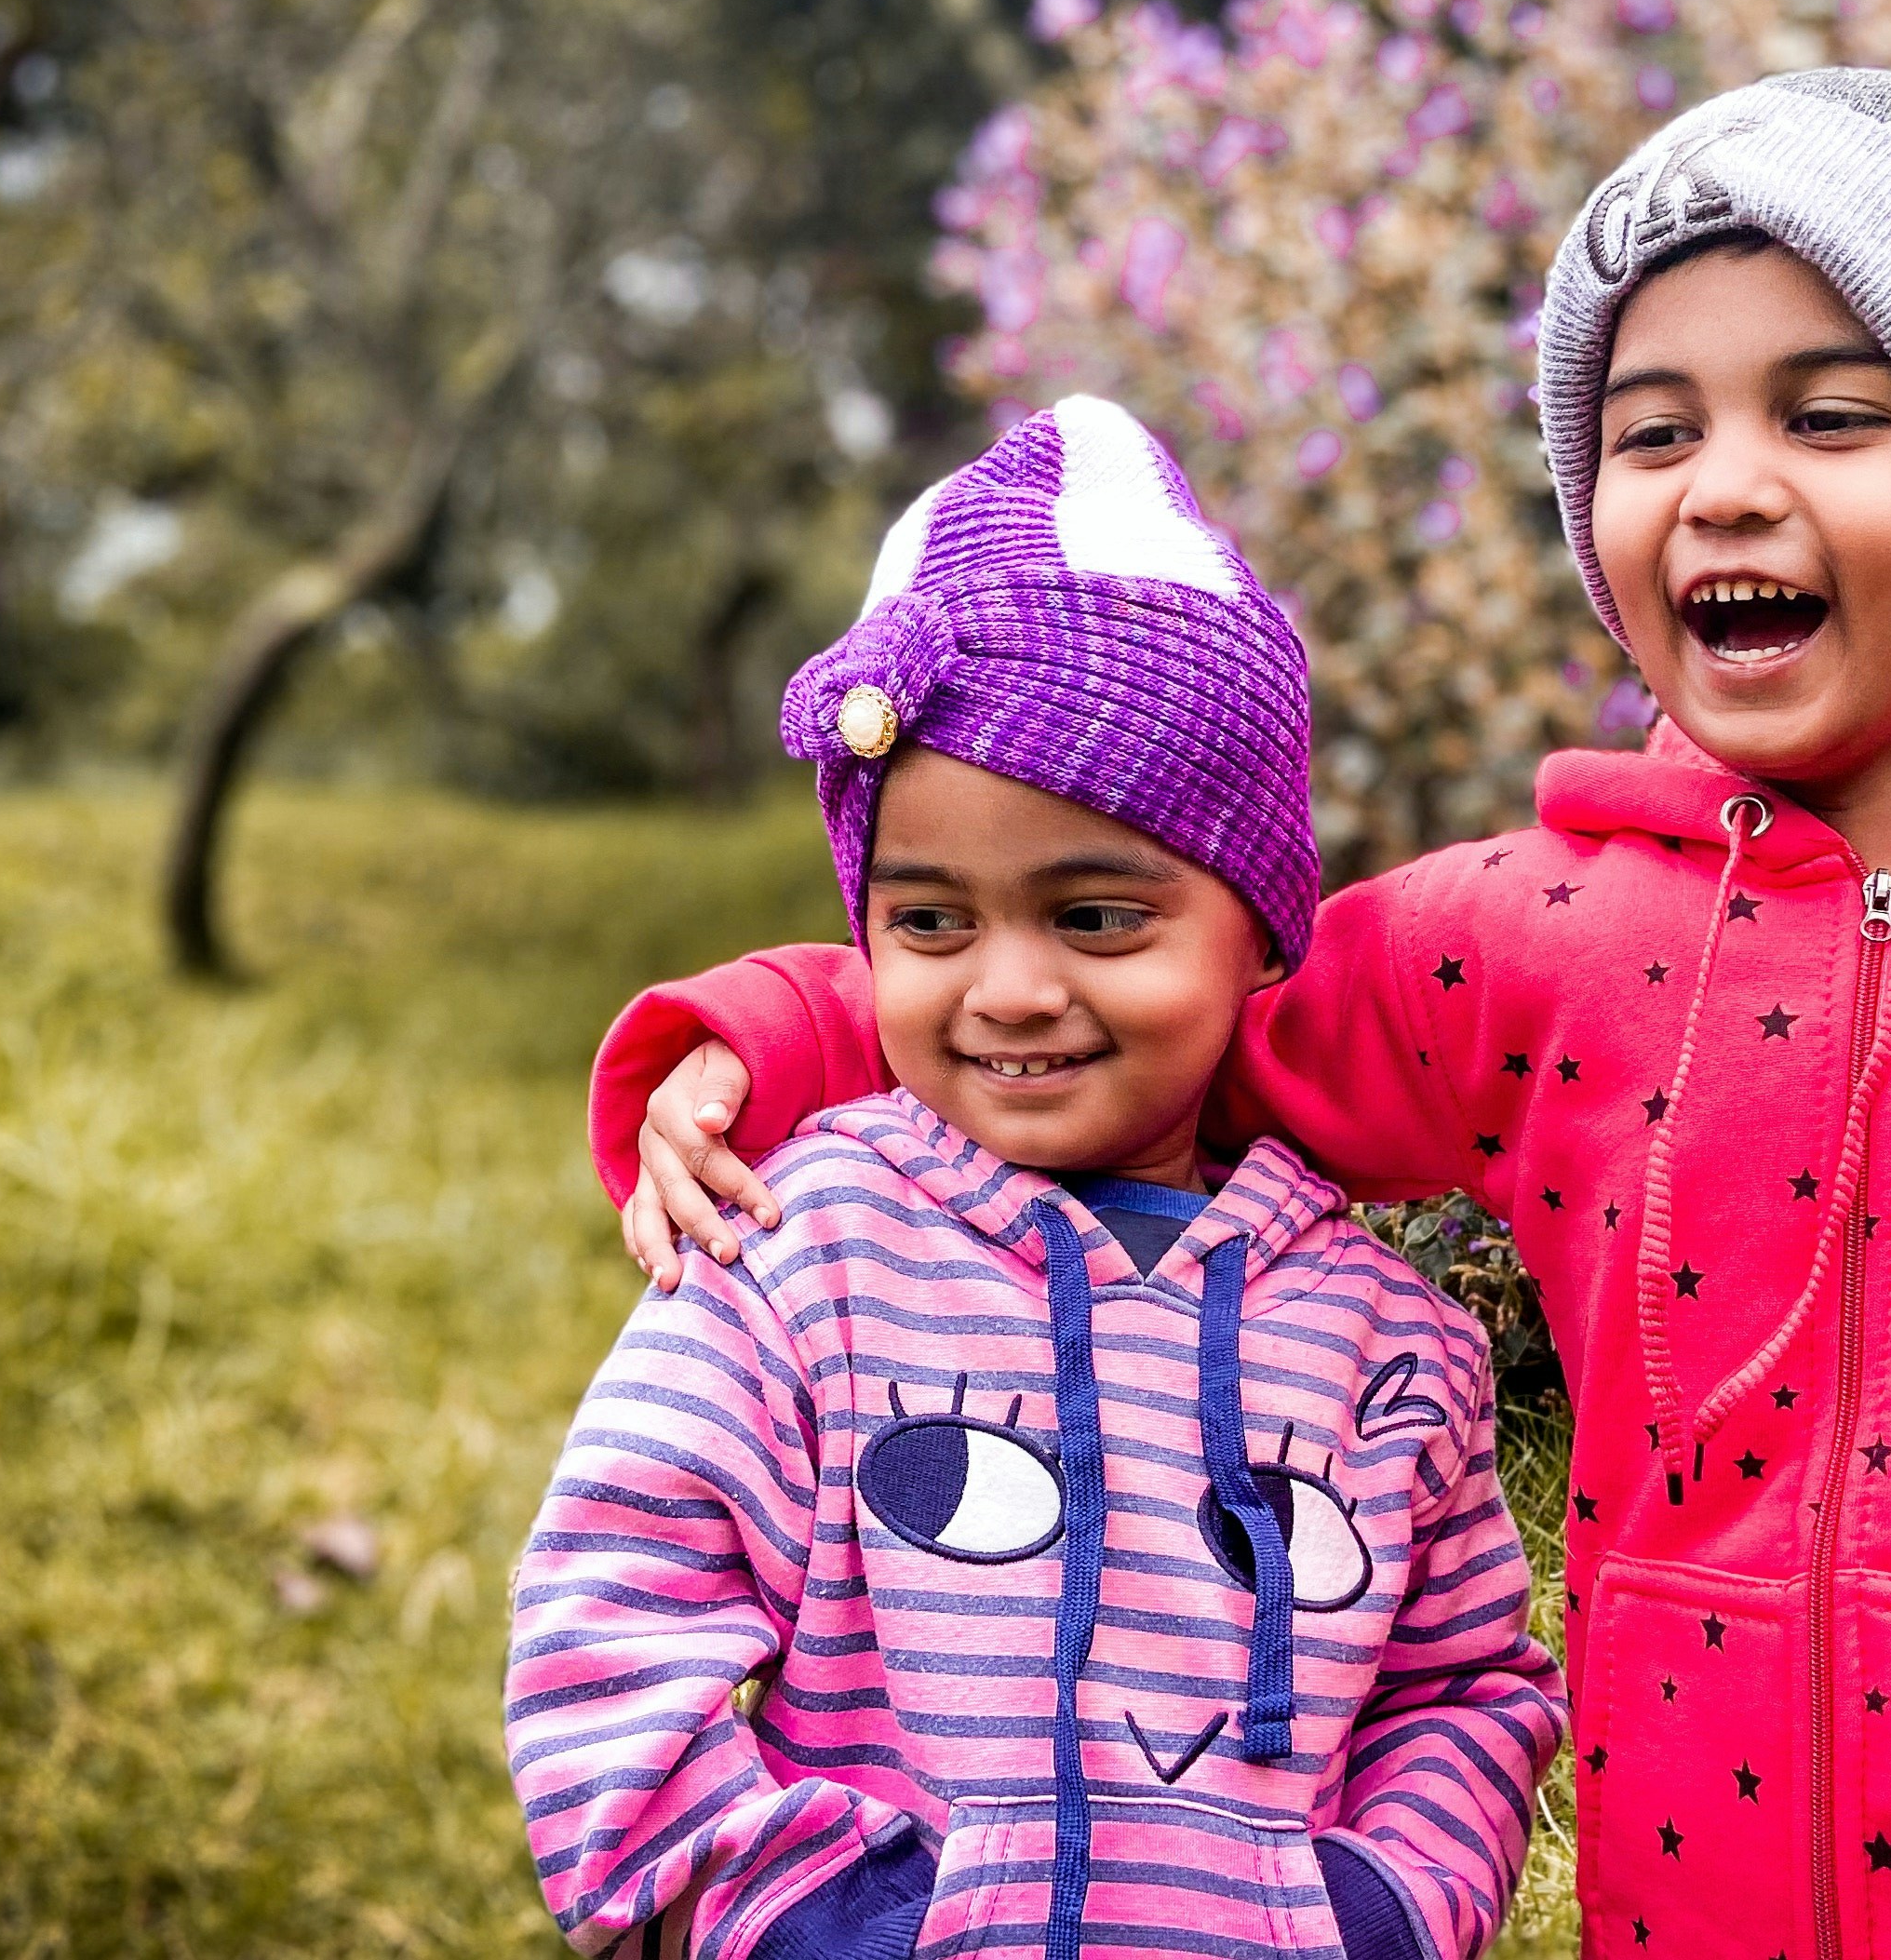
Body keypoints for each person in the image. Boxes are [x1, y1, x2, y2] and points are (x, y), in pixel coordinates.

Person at [594, 67, 1891, 1957]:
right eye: (1654, 432)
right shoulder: (1526, 941)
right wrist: (766, 1034)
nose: (1728, 490)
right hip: (1694, 1897)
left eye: (1834, 419)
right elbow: (1154, 1000)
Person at [506, 396, 1562, 1960]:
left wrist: (1384, 1906)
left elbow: (1461, 1686)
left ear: (1261, 926)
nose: (1005, 988)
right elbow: (613, 1599)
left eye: (1094, 918)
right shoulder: (803, 1252)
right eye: (930, 923)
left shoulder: (1387, 1339)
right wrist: (789, 1911)